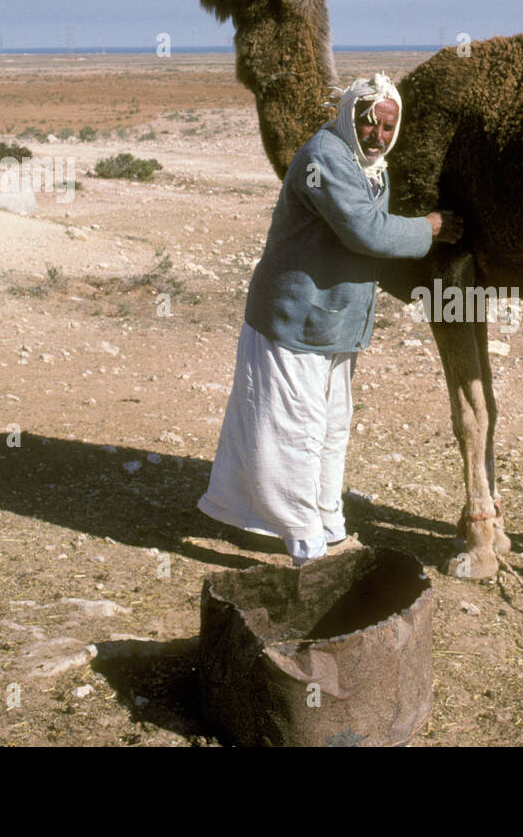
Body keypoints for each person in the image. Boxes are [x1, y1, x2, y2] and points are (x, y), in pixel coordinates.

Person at [198, 74, 463, 565]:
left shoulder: (368, 166)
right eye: (369, 123)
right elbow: (367, 231)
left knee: (329, 427)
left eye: (387, 127)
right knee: (294, 430)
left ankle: (328, 525)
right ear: (349, 117)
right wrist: (431, 227)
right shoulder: (324, 157)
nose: (378, 135)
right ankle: (305, 544)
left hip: (333, 324)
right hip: (293, 321)